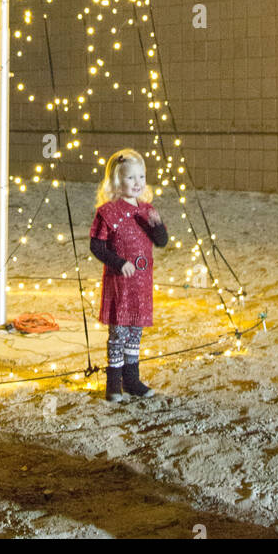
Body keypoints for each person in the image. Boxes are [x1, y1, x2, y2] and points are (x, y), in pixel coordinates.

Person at [89, 148, 169, 402]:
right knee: (118, 332)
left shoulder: (147, 210)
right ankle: (114, 383)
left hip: (141, 283)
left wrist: (157, 224)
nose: (137, 183)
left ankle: (131, 380)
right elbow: (97, 246)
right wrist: (118, 262)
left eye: (141, 177)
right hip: (120, 283)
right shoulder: (108, 213)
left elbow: (162, 241)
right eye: (130, 178)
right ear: (116, 181)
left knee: (135, 331)